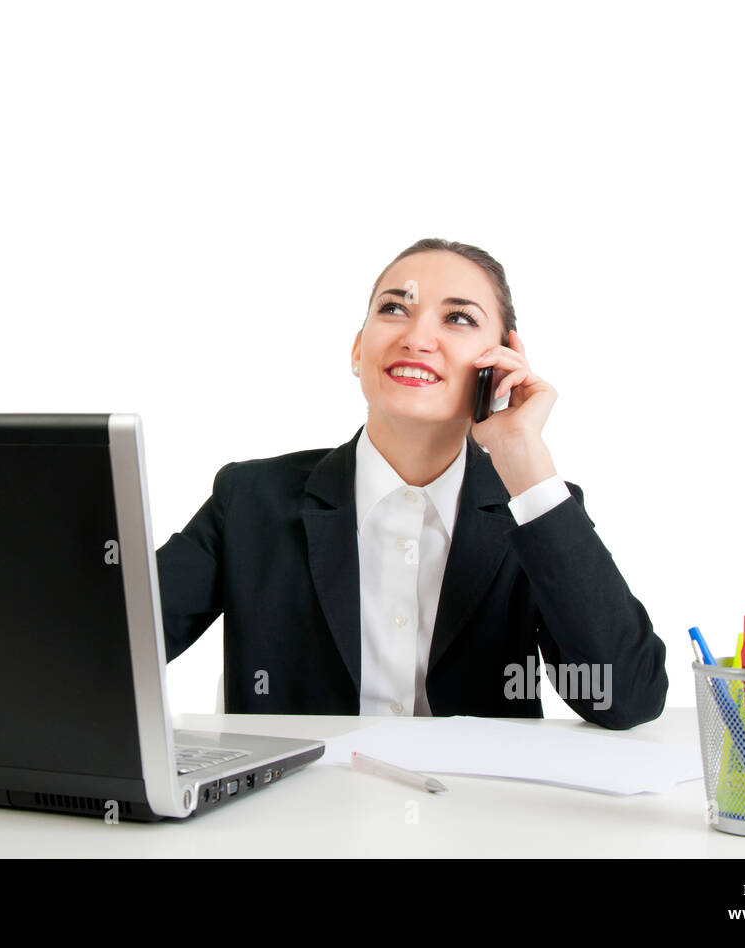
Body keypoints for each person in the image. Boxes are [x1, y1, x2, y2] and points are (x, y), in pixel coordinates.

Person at [156, 238, 667, 729]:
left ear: (503, 360)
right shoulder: (249, 499)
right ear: (358, 350)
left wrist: (524, 461)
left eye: (459, 318)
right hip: (295, 810)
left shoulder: (534, 511)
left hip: (479, 811)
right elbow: (111, 645)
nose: (417, 339)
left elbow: (628, 697)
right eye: (395, 309)